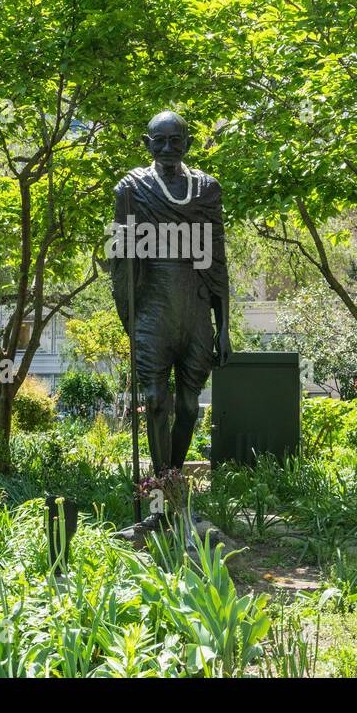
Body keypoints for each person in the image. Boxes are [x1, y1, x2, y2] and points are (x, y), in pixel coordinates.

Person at [111, 111, 231, 533]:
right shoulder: (130, 188)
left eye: (174, 140)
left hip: (195, 308)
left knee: (186, 406)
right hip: (153, 309)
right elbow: (120, 257)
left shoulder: (206, 189)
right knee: (156, 402)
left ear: (187, 142)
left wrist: (225, 326)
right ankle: (158, 506)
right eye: (158, 141)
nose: (166, 148)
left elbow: (216, 259)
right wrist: (131, 318)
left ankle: (176, 498)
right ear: (147, 143)